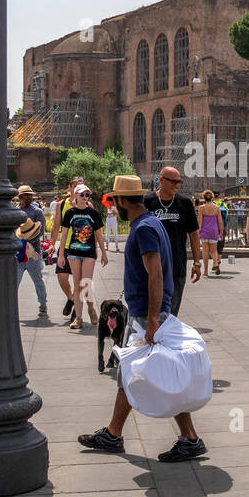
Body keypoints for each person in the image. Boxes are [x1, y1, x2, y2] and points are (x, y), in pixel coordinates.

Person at [77, 175, 207, 463]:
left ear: (123, 201)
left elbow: (156, 274)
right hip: (145, 312)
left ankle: (190, 438)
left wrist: (151, 320)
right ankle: (114, 434)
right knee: (133, 372)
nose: (113, 205)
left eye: (114, 200)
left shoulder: (145, 228)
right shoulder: (149, 223)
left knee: (159, 374)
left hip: (147, 314)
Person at [144, 165, 202, 316]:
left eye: (179, 182)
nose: (177, 185)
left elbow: (194, 234)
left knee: (171, 311)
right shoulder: (147, 202)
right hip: (150, 266)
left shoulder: (185, 203)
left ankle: (166, 338)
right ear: (161, 180)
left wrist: (196, 262)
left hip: (177, 264)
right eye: (174, 182)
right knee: (150, 310)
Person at [55, 183, 107, 329]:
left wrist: (103, 252)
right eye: (82, 195)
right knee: (78, 285)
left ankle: (91, 308)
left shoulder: (93, 213)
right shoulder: (70, 213)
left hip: (89, 252)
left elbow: (98, 234)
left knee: (86, 282)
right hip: (73, 252)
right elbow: (64, 234)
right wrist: (60, 255)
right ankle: (78, 317)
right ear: (76, 196)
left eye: (87, 195)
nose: (85, 197)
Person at [14, 185, 49, 319]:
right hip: (18, 253)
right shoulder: (15, 212)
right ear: (20, 197)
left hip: (33, 253)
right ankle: (11, 306)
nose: (28, 197)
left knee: (38, 280)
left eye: (30, 195)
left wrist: (27, 238)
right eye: (25, 195)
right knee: (14, 283)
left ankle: (43, 304)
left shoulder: (37, 212)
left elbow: (40, 231)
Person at [49, 176, 81, 320]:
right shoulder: (62, 204)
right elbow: (56, 226)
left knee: (78, 280)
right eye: (75, 186)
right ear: (69, 187)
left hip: (81, 248)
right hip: (65, 247)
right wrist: (51, 243)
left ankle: (76, 310)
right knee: (62, 277)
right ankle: (71, 299)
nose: (78, 189)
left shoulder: (88, 205)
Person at [197, 190, 224, 276]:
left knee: (205, 251)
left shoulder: (201, 208)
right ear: (212, 197)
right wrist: (221, 232)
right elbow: (220, 222)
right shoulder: (217, 208)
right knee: (214, 250)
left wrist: (198, 232)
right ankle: (216, 263)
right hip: (214, 231)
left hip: (204, 231)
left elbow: (200, 222)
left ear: (204, 198)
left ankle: (205, 271)